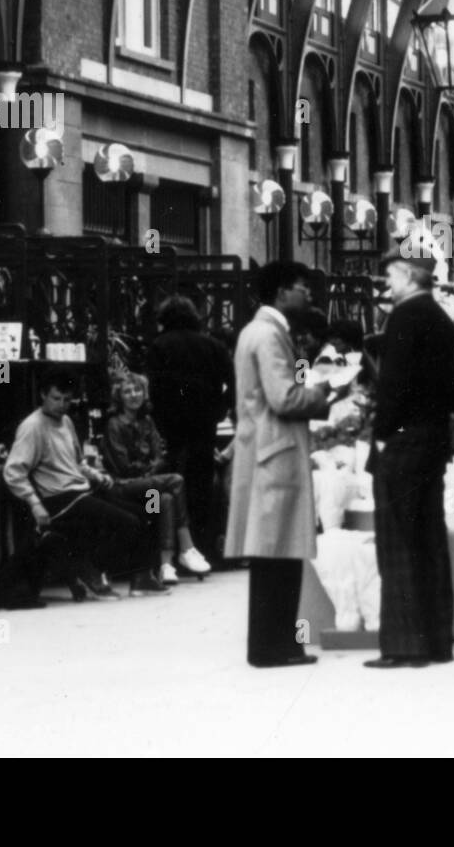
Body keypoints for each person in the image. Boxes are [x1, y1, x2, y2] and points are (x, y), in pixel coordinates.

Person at [222, 261, 335, 668]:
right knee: (279, 554)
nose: (308, 293)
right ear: (282, 291)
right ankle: (276, 646)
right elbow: (283, 397)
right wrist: (325, 392)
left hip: (264, 450)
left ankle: (273, 644)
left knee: (272, 554)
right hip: (276, 453)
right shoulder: (269, 334)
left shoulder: (256, 331)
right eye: (302, 286)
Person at [364, 250, 454, 669]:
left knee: (398, 542)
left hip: (403, 443)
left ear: (407, 275)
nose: (387, 284)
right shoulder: (441, 319)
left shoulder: (404, 317)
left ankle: (404, 645)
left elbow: (394, 384)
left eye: (391, 275)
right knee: (429, 538)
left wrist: (381, 433)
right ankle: (436, 643)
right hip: (433, 440)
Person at [2, 369, 165, 599]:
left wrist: (96, 474)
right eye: (56, 398)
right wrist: (34, 503)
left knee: (149, 509)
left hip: (88, 489)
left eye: (67, 400)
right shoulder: (33, 427)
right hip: (64, 497)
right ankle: (89, 569)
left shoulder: (67, 421)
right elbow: (13, 471)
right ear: (43, 395)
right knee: (129, 520)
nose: (62, 405)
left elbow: (77, 462)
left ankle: (144, 576)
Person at [101, 372, 213, 584]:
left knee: (165, 500)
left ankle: (165, 565)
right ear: (119, 397)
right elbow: (123, 467)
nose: (134, 395)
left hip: (148, 491)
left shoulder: (147, 421)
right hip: (125, 488)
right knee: (176, 480)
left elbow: (160, 457)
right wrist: (149, 471)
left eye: (137, 390)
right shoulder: (114, 424)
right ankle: (187, 547)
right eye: (127, 391)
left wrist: (149, 473)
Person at [147, 295, 234, 562]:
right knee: (201, 488)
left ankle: (167, 549)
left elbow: (155, 390)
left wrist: (160, 421)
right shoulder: (214, 346)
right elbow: (234, 385)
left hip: (172, 426)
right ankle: (201, 548)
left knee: (169, 486)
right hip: (205, 426)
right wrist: (219, 410)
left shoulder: (159, 345)